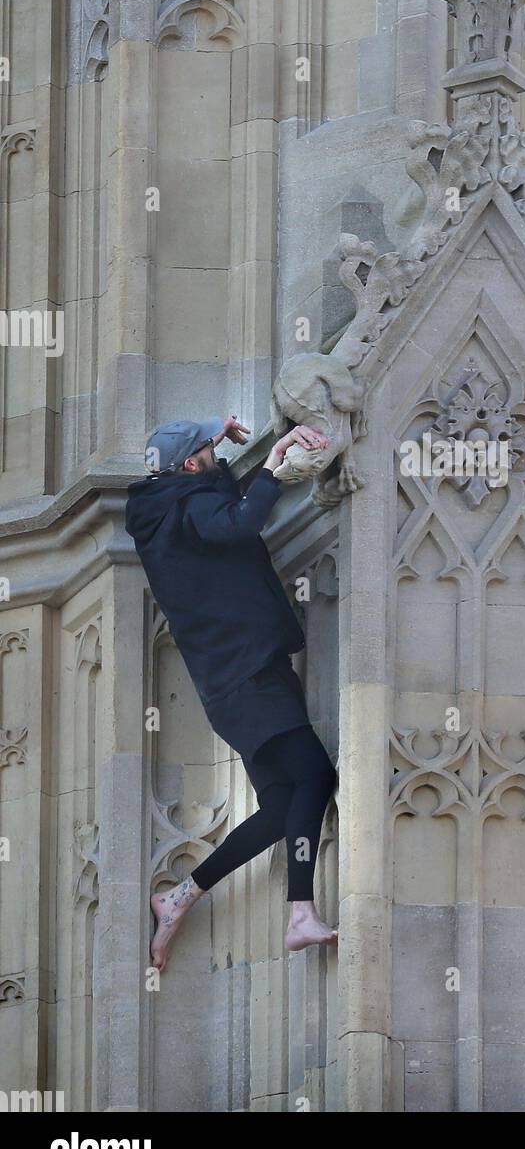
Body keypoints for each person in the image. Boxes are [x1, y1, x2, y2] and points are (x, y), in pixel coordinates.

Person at [125, 414, 339, 971]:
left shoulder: (164, 510)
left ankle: (178, 898)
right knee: (316, 776)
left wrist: (210, 443)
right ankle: (299, 913)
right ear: (193, 463)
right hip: (250, 677)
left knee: (283, 805)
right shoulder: (194, 508)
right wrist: (270, 463)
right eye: (207, 451)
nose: (216, 457)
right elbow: (239, 523)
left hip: (229, 685)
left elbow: (204, 499)